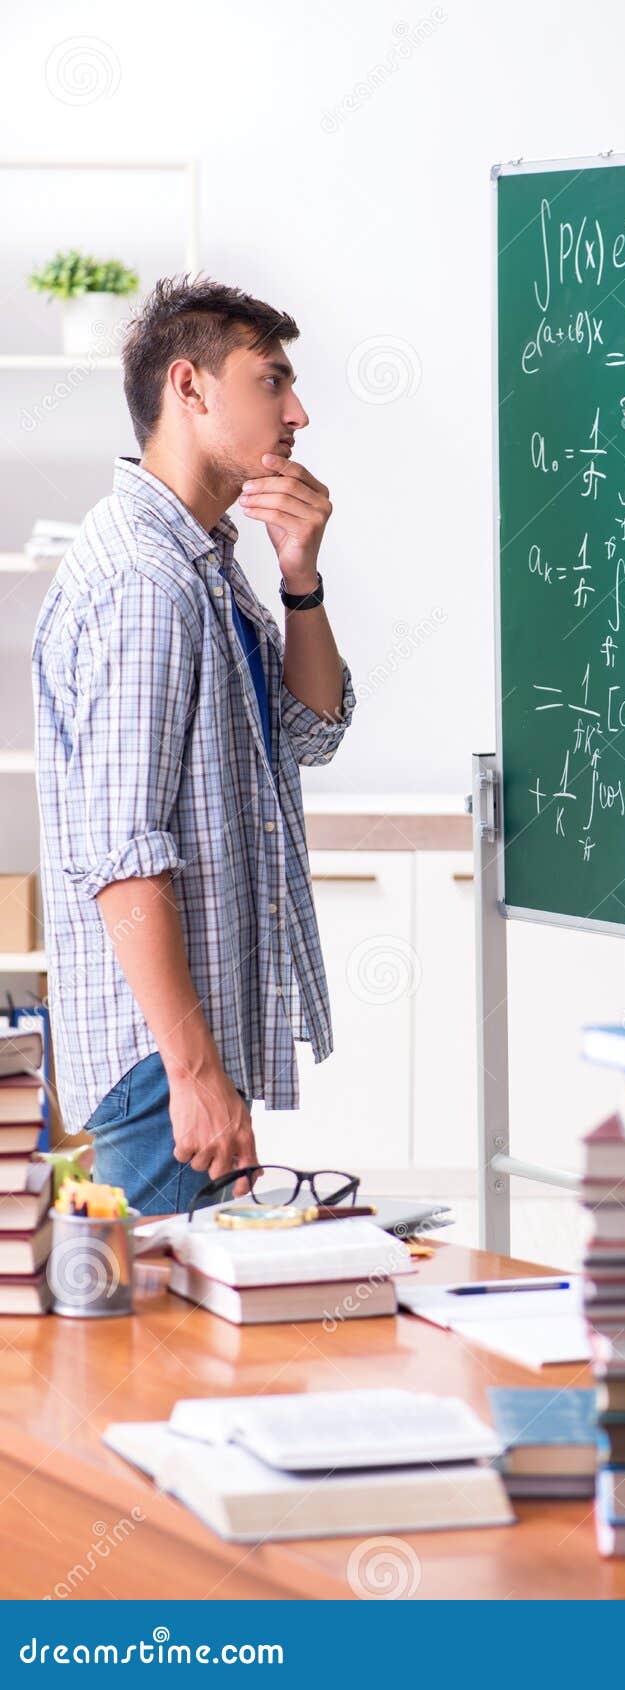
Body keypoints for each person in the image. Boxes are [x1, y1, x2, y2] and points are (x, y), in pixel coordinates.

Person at [32, 275, 356, 1215]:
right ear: (191, 386)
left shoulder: (203, 560)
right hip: (159, 1069)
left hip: (174, 1053)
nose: (297, 412)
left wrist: (302, 580)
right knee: (152, 1353)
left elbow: (310, 731)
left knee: (178, 1341)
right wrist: (195, 1073)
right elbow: (123, 857)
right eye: (273, 381)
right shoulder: (147, 580)